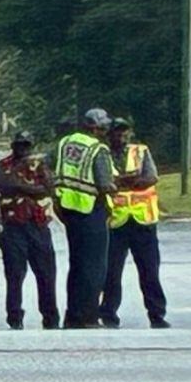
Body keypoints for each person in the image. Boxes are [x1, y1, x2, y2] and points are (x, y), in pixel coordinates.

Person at [51, 108, 117, 328]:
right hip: (91, 210)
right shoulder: (98, 149)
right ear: (96, 126)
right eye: (104, 125)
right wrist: (121, 185)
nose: (107, 129)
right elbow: (105, 183)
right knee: (94, 267)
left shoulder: (65, 143)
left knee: (77, 265)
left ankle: (73, 315)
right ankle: (88, 316)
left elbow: (50, 168)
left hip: (67, 209)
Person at [102, 117, 169, 328]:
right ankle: (108, 315)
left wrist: (122, 183)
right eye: (116, 132)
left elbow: (151, 177)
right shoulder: (102, 154)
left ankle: (157, 315)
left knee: (149, 272)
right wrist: (127, 182)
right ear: (108, 134)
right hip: (115, 222)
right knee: (111, 273)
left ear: (129, 134)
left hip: (143, 221)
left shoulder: (140, 151)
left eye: (124, 132)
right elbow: (103, 182)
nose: (120, 136)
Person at [0, 131, 59, 330]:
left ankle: (50, 317)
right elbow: (1, 186)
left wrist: (19, 187)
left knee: (46, 274)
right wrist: (27, 187)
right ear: (13, 146)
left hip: (37, 223)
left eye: (26, 145)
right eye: (19, 145)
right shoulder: (1, 166)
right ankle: (14, 317)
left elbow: (48, 188)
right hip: (11, 225)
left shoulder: (40, 166)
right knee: (14, 274)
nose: (22, 149)